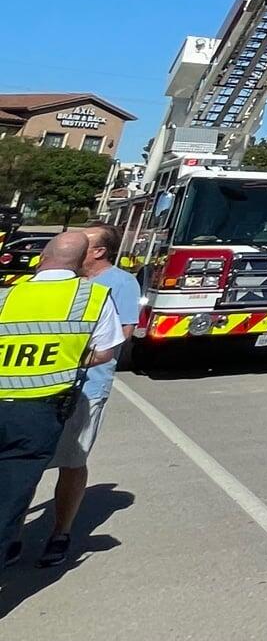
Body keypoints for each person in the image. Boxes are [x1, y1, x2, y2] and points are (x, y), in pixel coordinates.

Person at [0, 231, 121, 568]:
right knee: (10, 497)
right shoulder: (92, 297)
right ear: (81, 262)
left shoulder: (7, 295)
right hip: (38, 411)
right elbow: (104, 351)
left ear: (41, 259)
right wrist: (63, 359)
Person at [34, 224, 142, 567]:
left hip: (86, 388)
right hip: (38, 384)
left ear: (98, 252)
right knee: (25, 463)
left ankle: (60, 532)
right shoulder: (59, 279)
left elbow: (122, 334)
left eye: (86, 243)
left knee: (71, 460)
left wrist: (69, 355)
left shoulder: (121, 283)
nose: (77, 246)